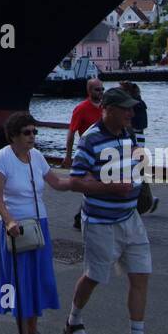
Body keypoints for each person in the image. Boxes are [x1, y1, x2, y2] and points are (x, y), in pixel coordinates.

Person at [63, 86, 151, 334]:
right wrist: (109, 186)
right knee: (93, 277)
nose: (131, 113)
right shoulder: (90, 139)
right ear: (109, 109)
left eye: (132, 108)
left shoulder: (127, 133)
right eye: (126, 108)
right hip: (101, 223)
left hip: (130, 219)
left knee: (141, 275)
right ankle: (74, 320)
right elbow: (75, 181)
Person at [0, 111, 76, 334]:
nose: (32, 136)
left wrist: (80, 183)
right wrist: (9, 220)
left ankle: (31, 330)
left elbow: (56, 182)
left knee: (36, 279)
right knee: (18, 282)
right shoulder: (2, 158)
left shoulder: (37, 156)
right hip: (15, 229)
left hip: (39, 227)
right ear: (13, 136)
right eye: (27, 132)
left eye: (34, 131)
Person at [63, 78, 104, 228]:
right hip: (89, 154)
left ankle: (81, 216)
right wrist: (68, 156)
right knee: (94, 184)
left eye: (102, 89)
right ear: (89, 91)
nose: (100, 92)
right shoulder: (81, 109)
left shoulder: (105, 108)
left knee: (100, 184)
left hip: (105, 153)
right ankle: (80, 217)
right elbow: (71, 132)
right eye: (97, 90)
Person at [120, 81, 159, 214]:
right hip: (140, 137)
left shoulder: (132, 104)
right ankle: (147, 198)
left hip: (134, 138)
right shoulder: (140, 102)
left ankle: (147, 198)